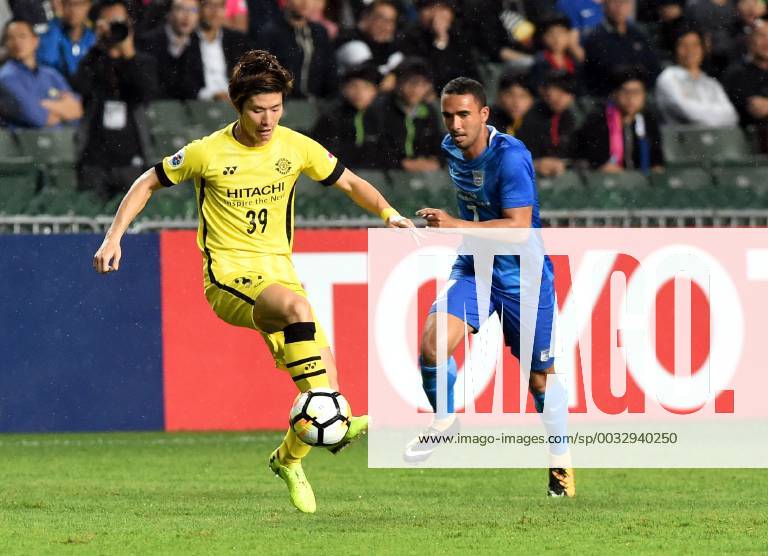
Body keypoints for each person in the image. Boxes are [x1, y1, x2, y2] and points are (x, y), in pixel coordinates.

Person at [92, 50, 414, 514]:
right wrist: (113, 236)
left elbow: (348, 182)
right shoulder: (207, 152)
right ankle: (334, 420)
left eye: (277, 108)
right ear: (238, 106)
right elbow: (147, 181)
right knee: (306, 333)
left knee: (324, 380)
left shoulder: (295, 146)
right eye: (258, 110)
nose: (268, 119)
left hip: (280, 273)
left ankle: (288, 460)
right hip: (228, 278)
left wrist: (389, 213)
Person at [406, 76, 575, 498]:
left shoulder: (512, 157)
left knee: (540, 381)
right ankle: (444, 421)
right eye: (448, 115)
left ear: (484, 114)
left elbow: (519, 230)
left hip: (524, 279)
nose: (455, 124)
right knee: (431, 345)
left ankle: (560, 462)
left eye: (464, 114)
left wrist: (456, 224)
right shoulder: (451, 148)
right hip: (476, 267)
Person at [72, 0, 158, 201]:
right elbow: (80, 87)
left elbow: (147, 92)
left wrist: (127, 52)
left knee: (133, 219)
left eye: (118, 22)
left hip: (132, 158)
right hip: (94, 159)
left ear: (129, 23)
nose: (114, 26)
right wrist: (99, 47)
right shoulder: (93, 61)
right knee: (90, 220)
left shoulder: (143, 61)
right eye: (107, 21)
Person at [577, 66, 664, 172]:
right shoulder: (599, 120)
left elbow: (656, 161)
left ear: (644, 95)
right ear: (615, 94)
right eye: (625, 91)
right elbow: (598, 161)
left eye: (636, 92)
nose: (630, 97)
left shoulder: (649, 121)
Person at [0, 18, 83, 128]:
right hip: (26, 143)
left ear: (35, 41)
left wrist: (43, 105)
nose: (17, 42)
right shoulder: (6, 78)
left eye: (22, 36)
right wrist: (63, 109)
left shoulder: (51, 74)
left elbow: (78, 111)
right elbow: (39, 118)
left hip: (60, 142)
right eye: (11, 38)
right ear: (6, 44)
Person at [655, 27, 738, 127]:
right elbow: (687, 112)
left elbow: (731, 116)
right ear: (675, 49)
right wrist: (716, 113)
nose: (690, 50)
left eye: (695, 45)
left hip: (714, 139)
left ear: (703, 49)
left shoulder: (711, 83)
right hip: (680, 140)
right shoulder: (668, 78)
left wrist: (700, 110)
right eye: (683, 45)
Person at [311, 62, 386, 169]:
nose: (359, 92)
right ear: (344, 89)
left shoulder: (380, 119)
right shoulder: (330, 118)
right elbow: (326, 157)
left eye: (366, 87)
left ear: (374, 92)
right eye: (354, 86)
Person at [256, 0, 337, 98]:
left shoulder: (319, 32)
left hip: (318, 104)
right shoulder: (270, 32)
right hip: (284, 103)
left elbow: (329, 70)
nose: (305, 3)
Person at [375, 57, 444, 171]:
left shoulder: (429, 112)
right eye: (410, 82)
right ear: (398, 83)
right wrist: (401, 164)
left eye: (423, 84)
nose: (416, 89)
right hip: (388, 179)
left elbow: (440, 146)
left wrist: (438, 162)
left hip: (425, 179)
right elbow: (375, 151)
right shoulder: (382, 109)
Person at [583, 0, 660, 97]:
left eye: (624, 2)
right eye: (614, 2)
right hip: (607, 99)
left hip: (642, 97)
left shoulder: (640, 34)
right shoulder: (594, 38)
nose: (619, 7)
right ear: (604, 5)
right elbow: (598, 75)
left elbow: (653, 68)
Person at [137, 0, 204, 100]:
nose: (187, 15)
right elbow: (149, 86)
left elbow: (197, 84)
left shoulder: (196, 41)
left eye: (193, 10)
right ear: (169, 13)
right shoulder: (149, 41)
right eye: (180, 9)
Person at [516, 71, 579, 176]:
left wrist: (564, 163)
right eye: (557, 90)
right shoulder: (529, 115)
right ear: (543, 91)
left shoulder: (569, 118)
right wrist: (535, 163)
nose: (561, 97)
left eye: (567, 92)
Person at [723, 20, 768, 153]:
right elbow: (755, 108)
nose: (766, 41)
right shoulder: (736, 73)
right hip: (749, 143)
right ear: (750, 40)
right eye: (761, 36)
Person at [197, 0, 252, 101]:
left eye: (219, 6)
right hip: (198, 105)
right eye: (209, 6)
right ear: (200, 8)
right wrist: (212, 95)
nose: (215, 12)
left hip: (233, 103)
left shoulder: (237, 40)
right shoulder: (189, 40)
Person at [36, 0, 96, 82]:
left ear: (88, 5)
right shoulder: (50, 33)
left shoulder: (93, 37)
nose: (73, 9)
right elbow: (47, 64)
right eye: (68, 4)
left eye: (78, 4)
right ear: (61, 5)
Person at [487, 71, 535, 136]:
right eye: (510, 95)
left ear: (532, 100)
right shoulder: (487, 122)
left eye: (523, 96)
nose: (516, 103)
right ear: (499, 96)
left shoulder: (538, 126)